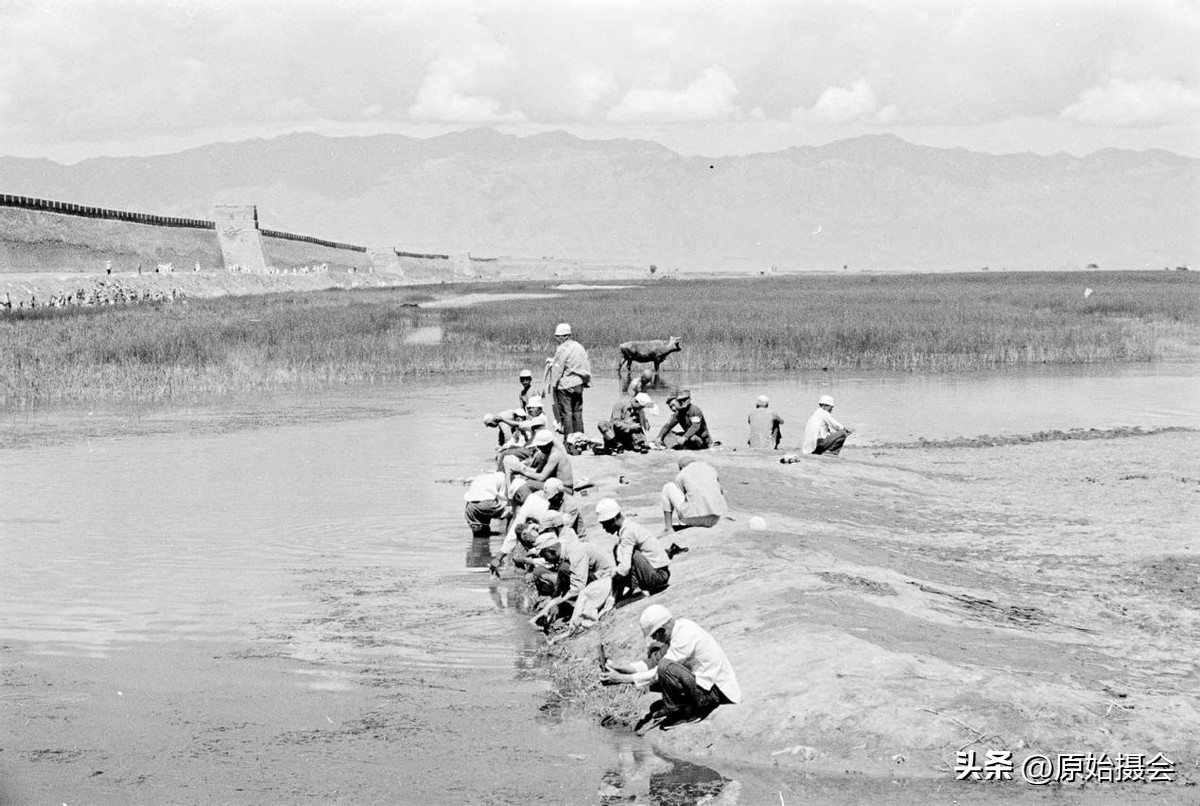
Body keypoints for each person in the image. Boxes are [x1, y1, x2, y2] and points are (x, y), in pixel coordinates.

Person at [601, 604, 741, 733]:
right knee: (657, 655)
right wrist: (619, 668)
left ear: (662, 630)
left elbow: (657, 672)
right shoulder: (677, 630)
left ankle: (690, 712)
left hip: (715, 692)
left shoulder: (684, 635)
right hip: (703, 685)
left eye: (655, 635)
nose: (656, 639)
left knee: (665, 667)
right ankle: (681, 706)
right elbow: (652, 662)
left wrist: (622, 679)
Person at [531, 538, 616, 634]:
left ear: (551, 551)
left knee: (564, 569)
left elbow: (577, 588)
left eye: (543, 556)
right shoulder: (567, 550)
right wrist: (535, 619)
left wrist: (557, 604)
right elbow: (559, 594)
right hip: (598, 578)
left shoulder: (575, 553)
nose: (545, 560)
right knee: (563, 570)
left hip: (607, 582)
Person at [596, 498, 670, 602]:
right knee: (618, 549)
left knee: (632, 555)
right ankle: (623, 594)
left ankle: (632, 591)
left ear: (613, 520)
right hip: (653, 572)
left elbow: (625, 568)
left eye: (605, 524)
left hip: (658, 576)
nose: (604, 528)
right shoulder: (627, 528)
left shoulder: (628, 532)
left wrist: (613, 575)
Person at [661, 456, 726, 552]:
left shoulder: (682, 474)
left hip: (691, 519)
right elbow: (720, 491)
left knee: (668, 487)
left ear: (681, 467)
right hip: (714, 519)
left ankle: (668, 528)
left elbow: (683, 495)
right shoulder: (710, 469)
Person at [547, 322, 592, 438]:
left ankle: (569, 439)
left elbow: (558, 368)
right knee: (577, 412)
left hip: (566, 386)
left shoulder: (562, 348)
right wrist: (586, 382)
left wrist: (553, 385)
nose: (557, 339)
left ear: (565, 336)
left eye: (558, 336)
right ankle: (580, 438)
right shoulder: (579, 347)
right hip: (578, 385)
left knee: (566, 413)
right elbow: (585, 365)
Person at [510, 430, 574, 499]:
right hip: (556, 485)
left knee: (528, 484)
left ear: (547, 444)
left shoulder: (555, 455)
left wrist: (522, 472)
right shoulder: (548, 452)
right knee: (528, 481)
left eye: (540, 446)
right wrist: (522, 468)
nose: (538, 448)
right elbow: (537, 471)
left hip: (564, 489)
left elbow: (541, 477)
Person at [464, 470, 509, 539]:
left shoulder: (481, 477)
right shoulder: (503, 477)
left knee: (479, 534)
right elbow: (502, 496)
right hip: (486, 504)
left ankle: (479, 544)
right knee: (511, 511)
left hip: (470, 507)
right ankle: (509, 536)